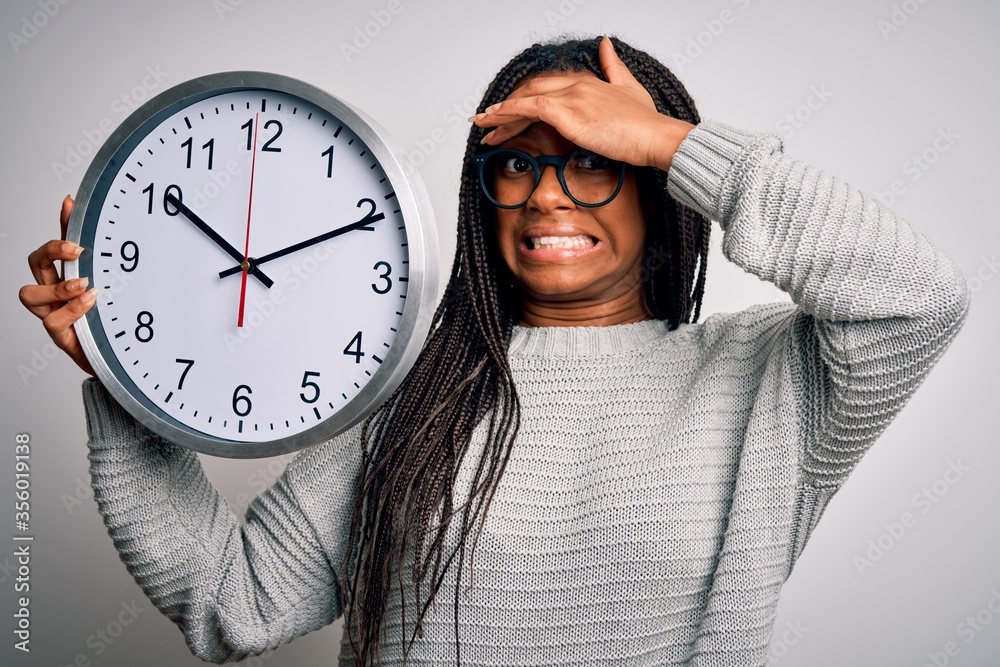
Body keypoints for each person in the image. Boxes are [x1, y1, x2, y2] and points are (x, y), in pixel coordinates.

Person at [19, 35, 970, 666]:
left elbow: (917, 300)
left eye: (594, 159)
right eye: (518, 161)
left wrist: (676, 140)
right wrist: (122, 376)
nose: (549, 195)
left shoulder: (766, 382)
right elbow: (233, 602)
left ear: (656, 185)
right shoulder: (410, 398)